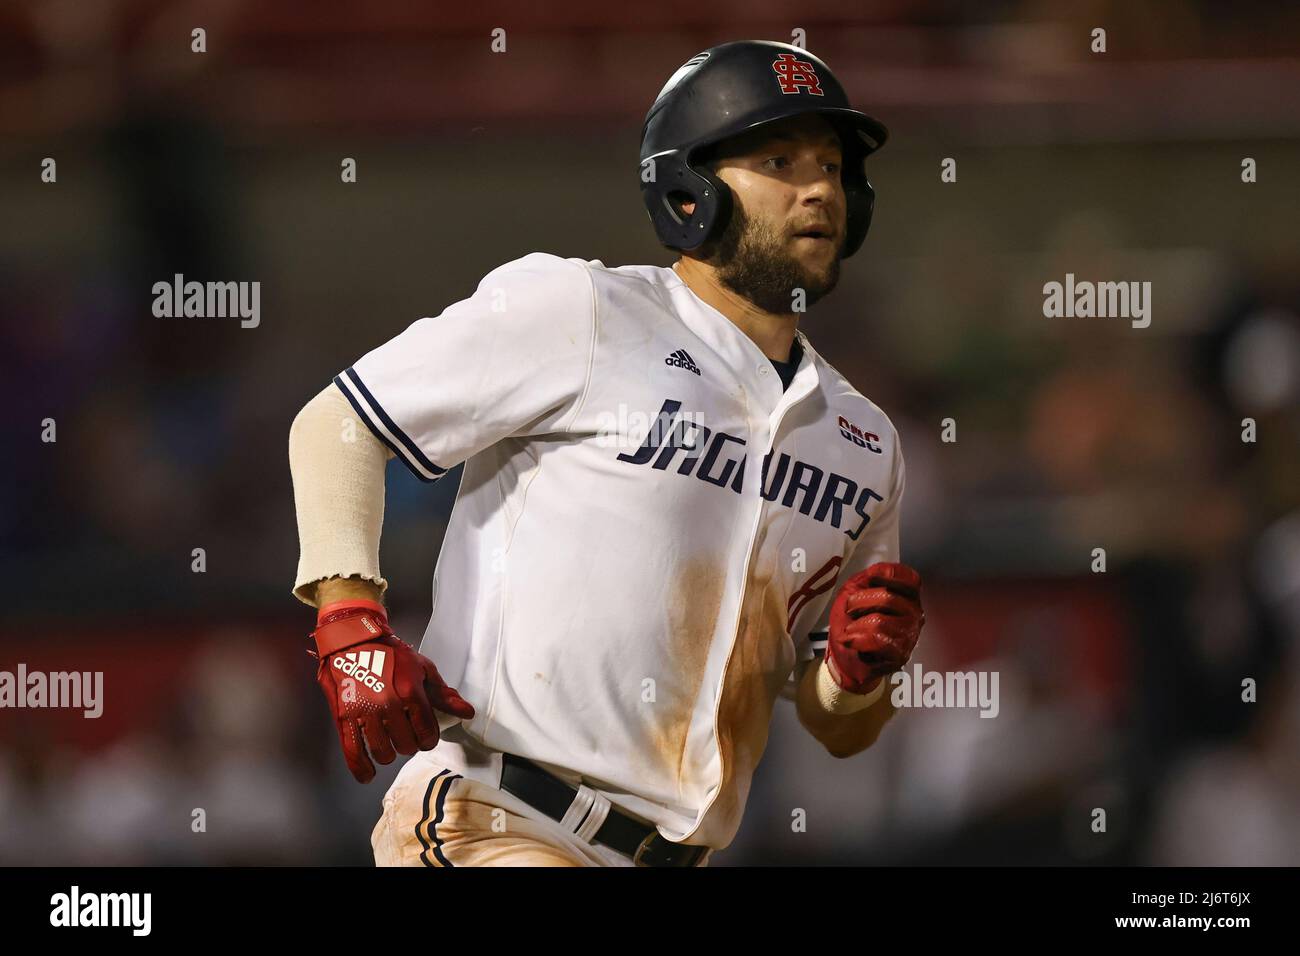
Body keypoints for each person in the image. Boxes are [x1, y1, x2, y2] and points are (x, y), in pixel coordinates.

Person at [289, 39, 925, 867]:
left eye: (834, 168)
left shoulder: (865, 441)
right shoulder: (584, 310)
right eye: (778, 158)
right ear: (689, 188)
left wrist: (852, 678)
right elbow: (337, 423)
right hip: (499, 818)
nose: (818, 189)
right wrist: (351, 629)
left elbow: (838, 726)